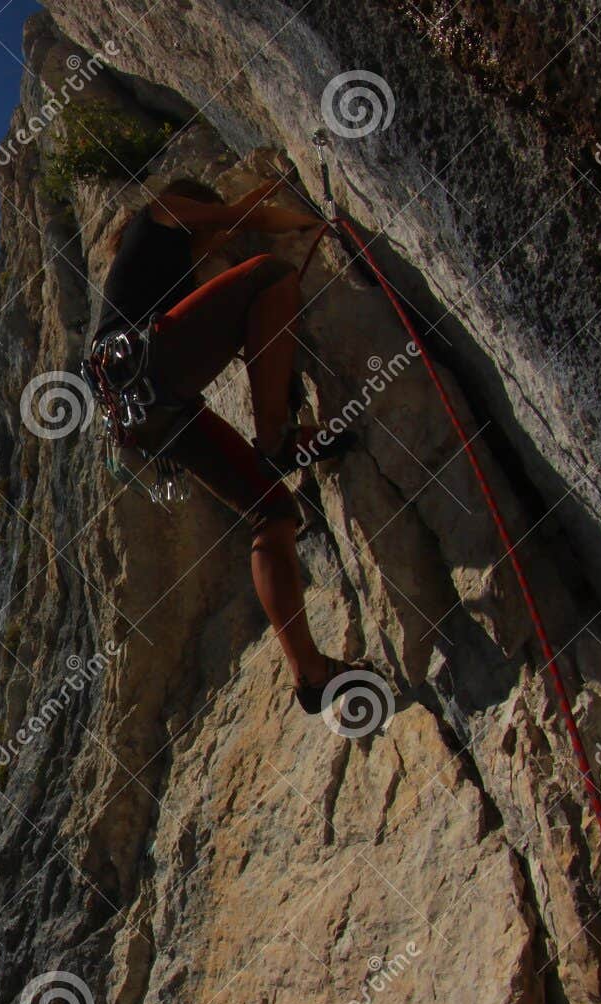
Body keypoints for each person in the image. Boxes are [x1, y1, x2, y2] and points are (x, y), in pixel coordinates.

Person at [86, 175, 366, 716]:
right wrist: (314, 222)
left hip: (144, 415)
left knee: (273, 513)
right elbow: (240, 218)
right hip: (147, 368)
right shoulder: (161, 210)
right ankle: (277, 439)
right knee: (271, 275)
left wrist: (258, 199)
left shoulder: (162, 260)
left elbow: (230, 224)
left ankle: (309, 673)